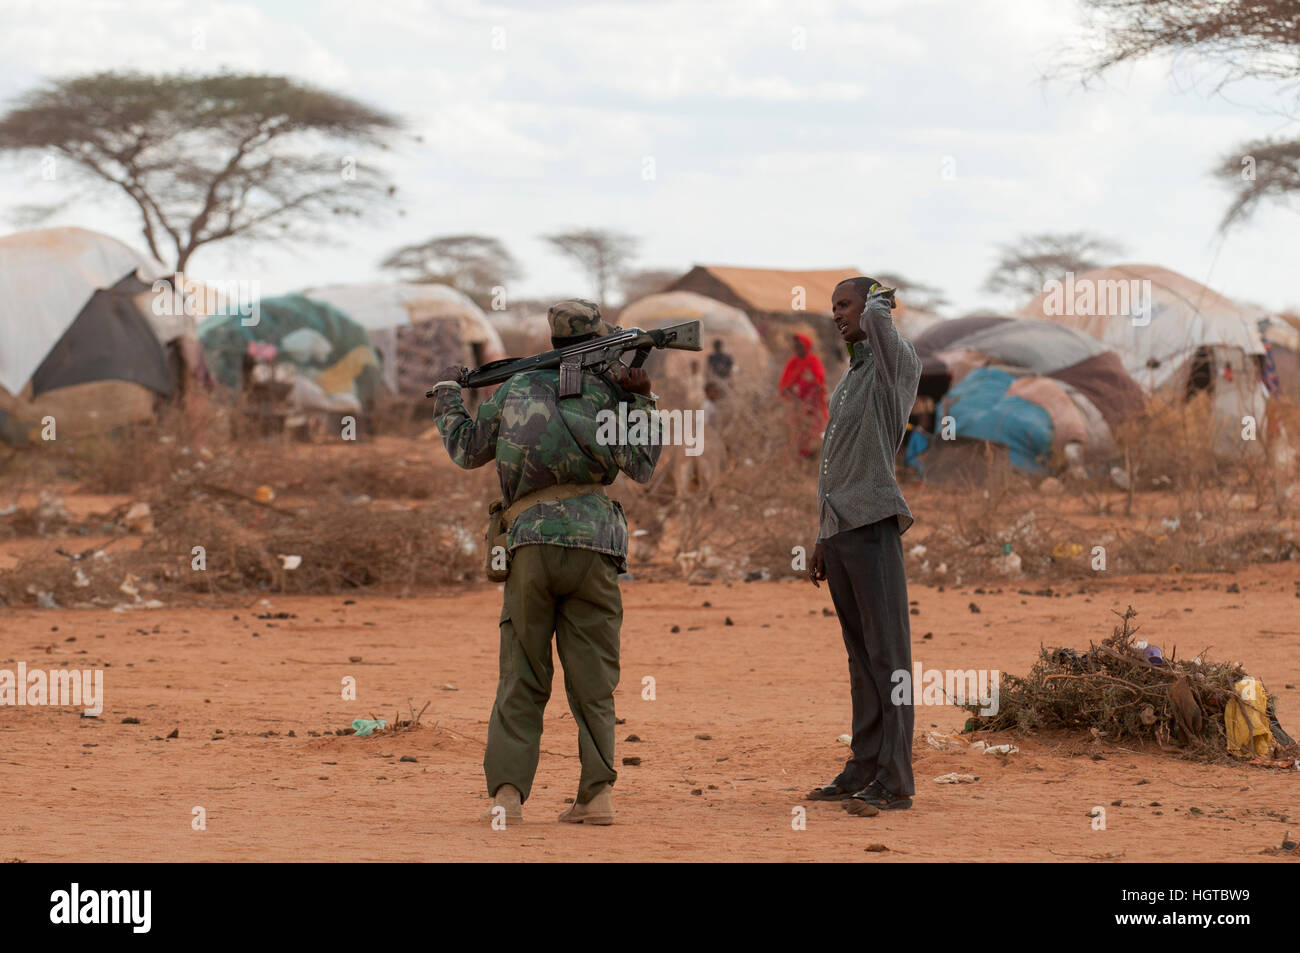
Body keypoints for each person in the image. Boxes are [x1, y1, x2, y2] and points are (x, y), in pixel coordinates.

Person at [431, 299, 661, 826]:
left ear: (552, 342)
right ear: (601, 340)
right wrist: (644, 400)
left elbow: (467, 450)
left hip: (530, 543)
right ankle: (596, 796)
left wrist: (448, 394)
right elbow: (643, 467)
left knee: (522, 672)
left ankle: (508, 796)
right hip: (596, 546)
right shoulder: (612, 393)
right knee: (593, 681)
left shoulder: (514, 389)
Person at [807, 278, 922, 817]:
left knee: (889, 657)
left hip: (874, 525)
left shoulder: (893, 369)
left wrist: (878, 301)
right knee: (860, 658)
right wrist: (822, 535)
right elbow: (836, 463)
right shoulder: (851, 378)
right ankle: (864, 764)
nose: (837, 315)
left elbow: (880, 328)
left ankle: (896, 778)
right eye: (832, 307)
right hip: (842, 530)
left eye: (845, 304)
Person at [779, 333, 828, 458]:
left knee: (815, 433)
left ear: (806, 346)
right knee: (798, 433)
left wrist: (812, 392)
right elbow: (784, 386)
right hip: (797, 406)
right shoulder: (793, 363)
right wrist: (796, 399)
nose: (797, 349)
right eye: (795, 346)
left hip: (813, 406)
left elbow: (820, 382)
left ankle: (814, 456)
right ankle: (801, 457)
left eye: (800, 346)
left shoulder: (813, 361)